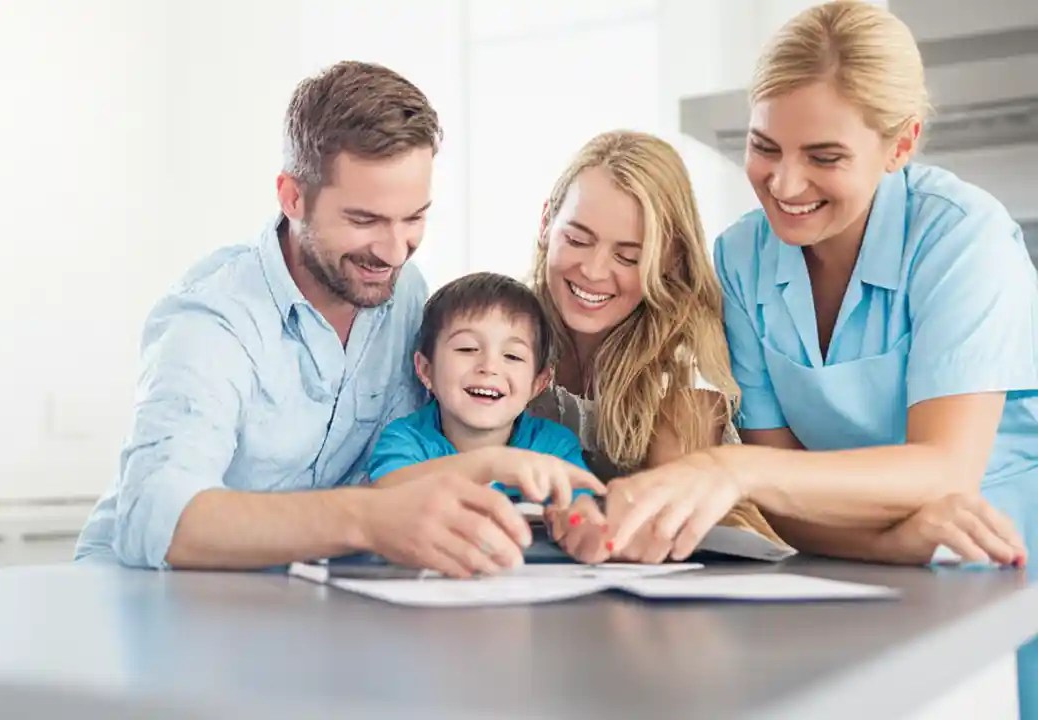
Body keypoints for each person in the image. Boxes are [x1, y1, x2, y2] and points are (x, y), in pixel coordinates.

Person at [570, 3, 1037, 713]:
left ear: (901, 143)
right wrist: (895, 542)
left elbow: (945, 469)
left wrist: (728, 468)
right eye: (765, 147)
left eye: (824, 157)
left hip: (1011, 562)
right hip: (885, 569)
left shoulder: (962, 238)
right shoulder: (741, 259)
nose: (785, 185)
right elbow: (782, 501)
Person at [73, 61, 577, 579]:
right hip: (152, 595)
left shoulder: (405, 294)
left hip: (297, 597)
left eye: (414, 218)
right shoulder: (213, 319)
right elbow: (156, 520)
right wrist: (367, 518)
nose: (393, 250)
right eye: (364, 220)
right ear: (293, 197)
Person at [505, 129, 787, 564]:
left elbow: (664, 516)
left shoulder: (687, 352)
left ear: (668, 258)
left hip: (704, 575)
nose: (593, 271)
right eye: (577, 239)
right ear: (546, 223)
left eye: (629, 257)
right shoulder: (506, 329)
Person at [367, 272, 603, 513]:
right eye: (467, 348)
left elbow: (580, 508)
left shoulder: (554, 446)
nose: (489, 367)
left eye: (512, 356)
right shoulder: (406, 439)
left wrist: (582, 527)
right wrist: (491, 464)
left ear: (538, 383)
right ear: (426, 370)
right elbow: (383, 497)